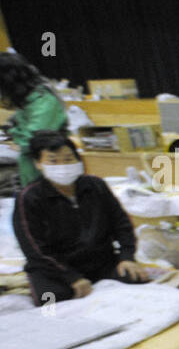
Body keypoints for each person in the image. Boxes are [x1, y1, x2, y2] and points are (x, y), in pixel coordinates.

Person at [12, 129, 147, 303]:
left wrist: (127, 257)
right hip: (57, 269)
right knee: (52, 299)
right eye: (53, 161)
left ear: (78, 159)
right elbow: (34, 248)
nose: (62, 166)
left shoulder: (96, 186)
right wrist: (71, 277)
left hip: (100, 261)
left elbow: (121, 224)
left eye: (68, 159)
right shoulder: (29, 197)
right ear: (38, 164)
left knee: (136, 279)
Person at [0, 52, 68, 187]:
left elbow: (33, 140)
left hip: (51, 172)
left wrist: (17, 138)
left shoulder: (43, 100)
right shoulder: (26, 101)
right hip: (31, 172)